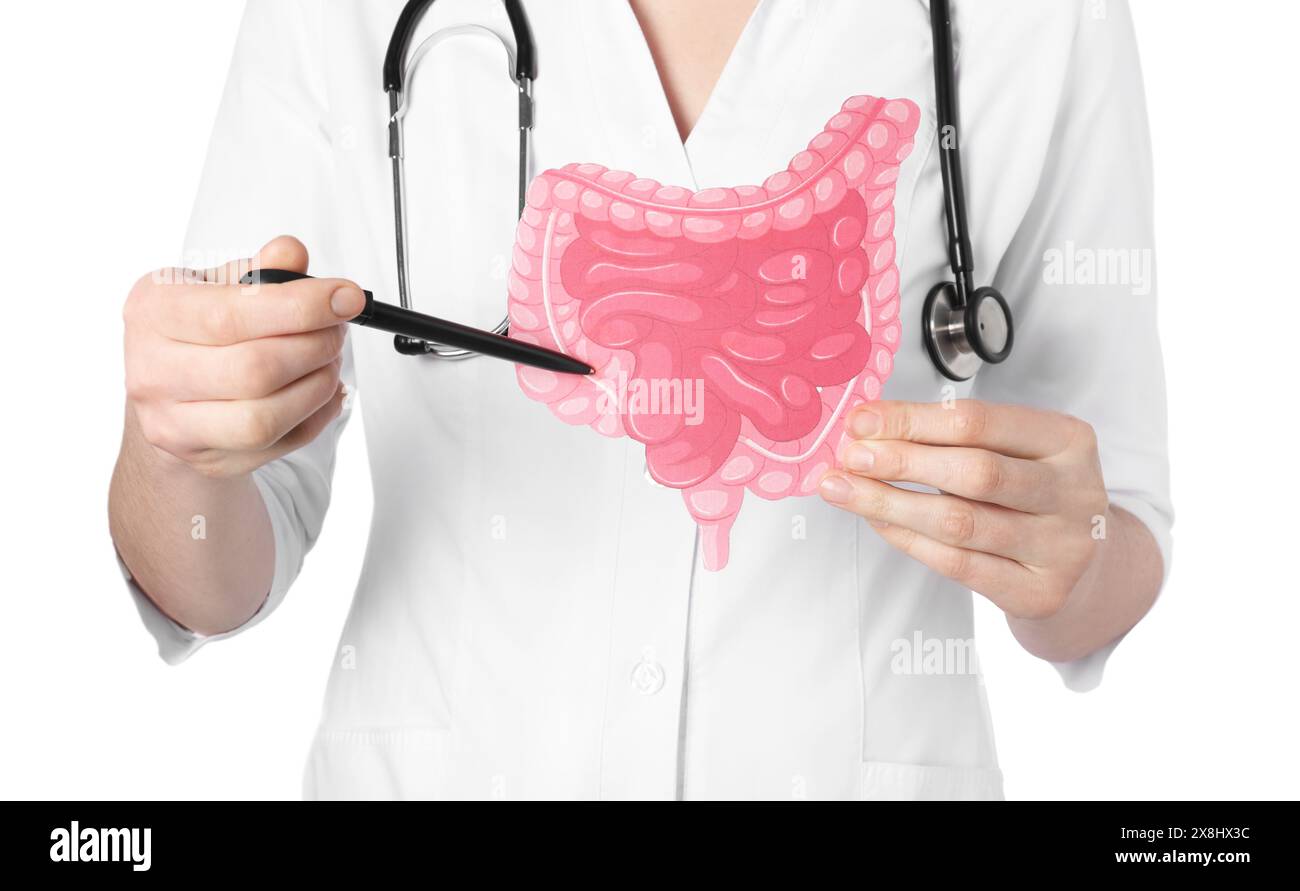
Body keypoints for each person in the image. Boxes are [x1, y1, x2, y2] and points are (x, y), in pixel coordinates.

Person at [108, 0, 1170, 800]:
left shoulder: (1038, 18)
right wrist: (172, 451)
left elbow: (1112, 527)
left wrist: (1065, 554)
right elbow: (213, 579)